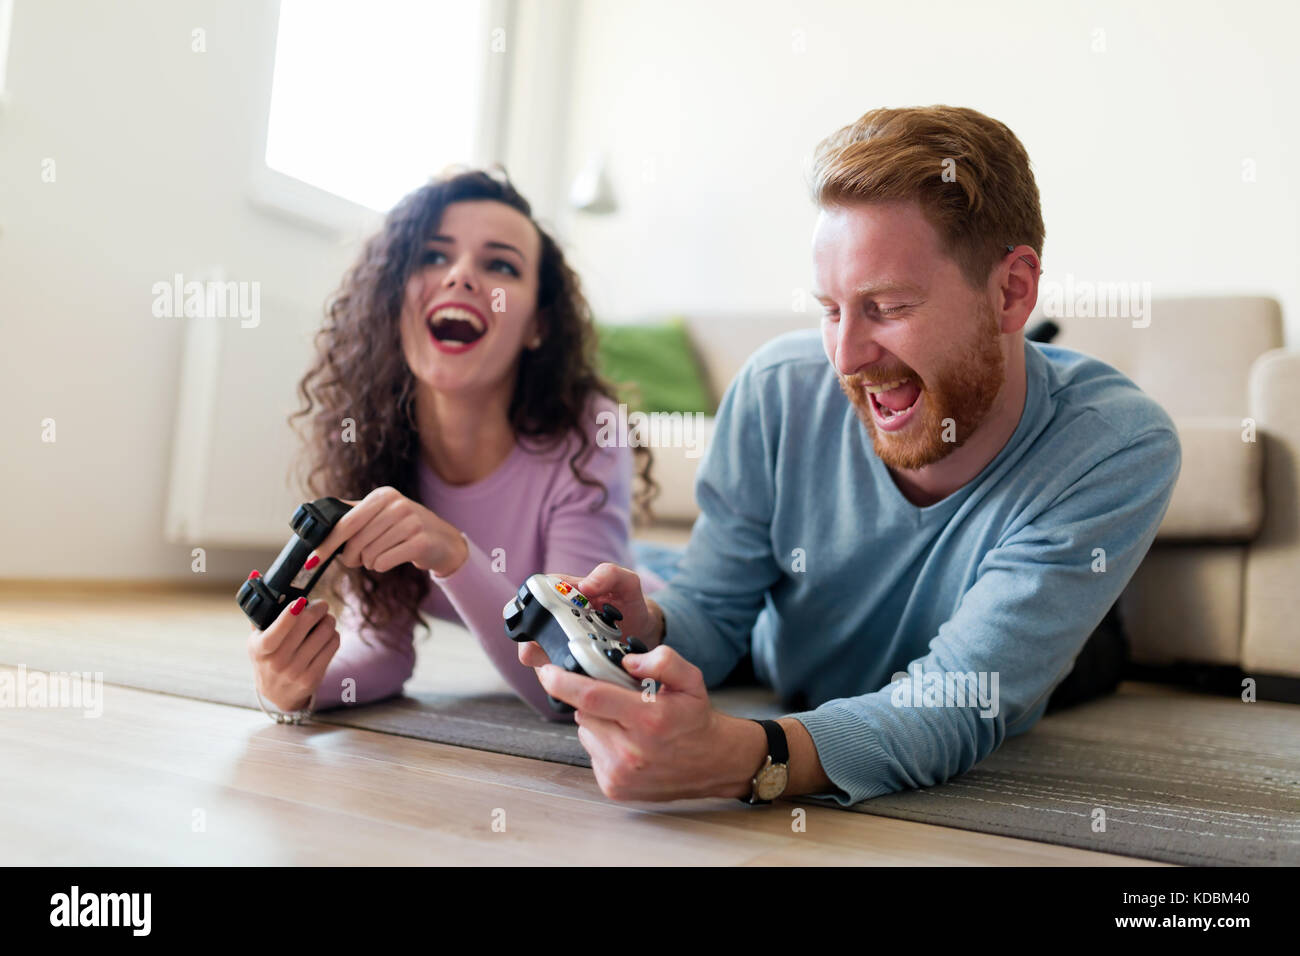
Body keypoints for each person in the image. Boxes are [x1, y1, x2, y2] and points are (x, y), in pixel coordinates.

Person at [517, 106, 1182, 805]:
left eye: (889, 306)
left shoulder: (1117, 445)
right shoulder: (777, 390)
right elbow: (717, 610)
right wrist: (653, 629)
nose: (847, 357)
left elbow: (952, 705)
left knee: (1084, 656)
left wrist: (751, 756)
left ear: (1013, 290)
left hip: (1037, 642)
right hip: (811, 648)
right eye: (831, 310)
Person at [246, 168, 659, 723]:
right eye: (434, 256)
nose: (462, 275)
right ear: (394, 299)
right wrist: (292, 686)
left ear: (538, 324)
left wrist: (452, 553)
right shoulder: (373, 438)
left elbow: (573, 686)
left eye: (500, 265)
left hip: (658, 602)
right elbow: (382, 652)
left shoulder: (588, 435)